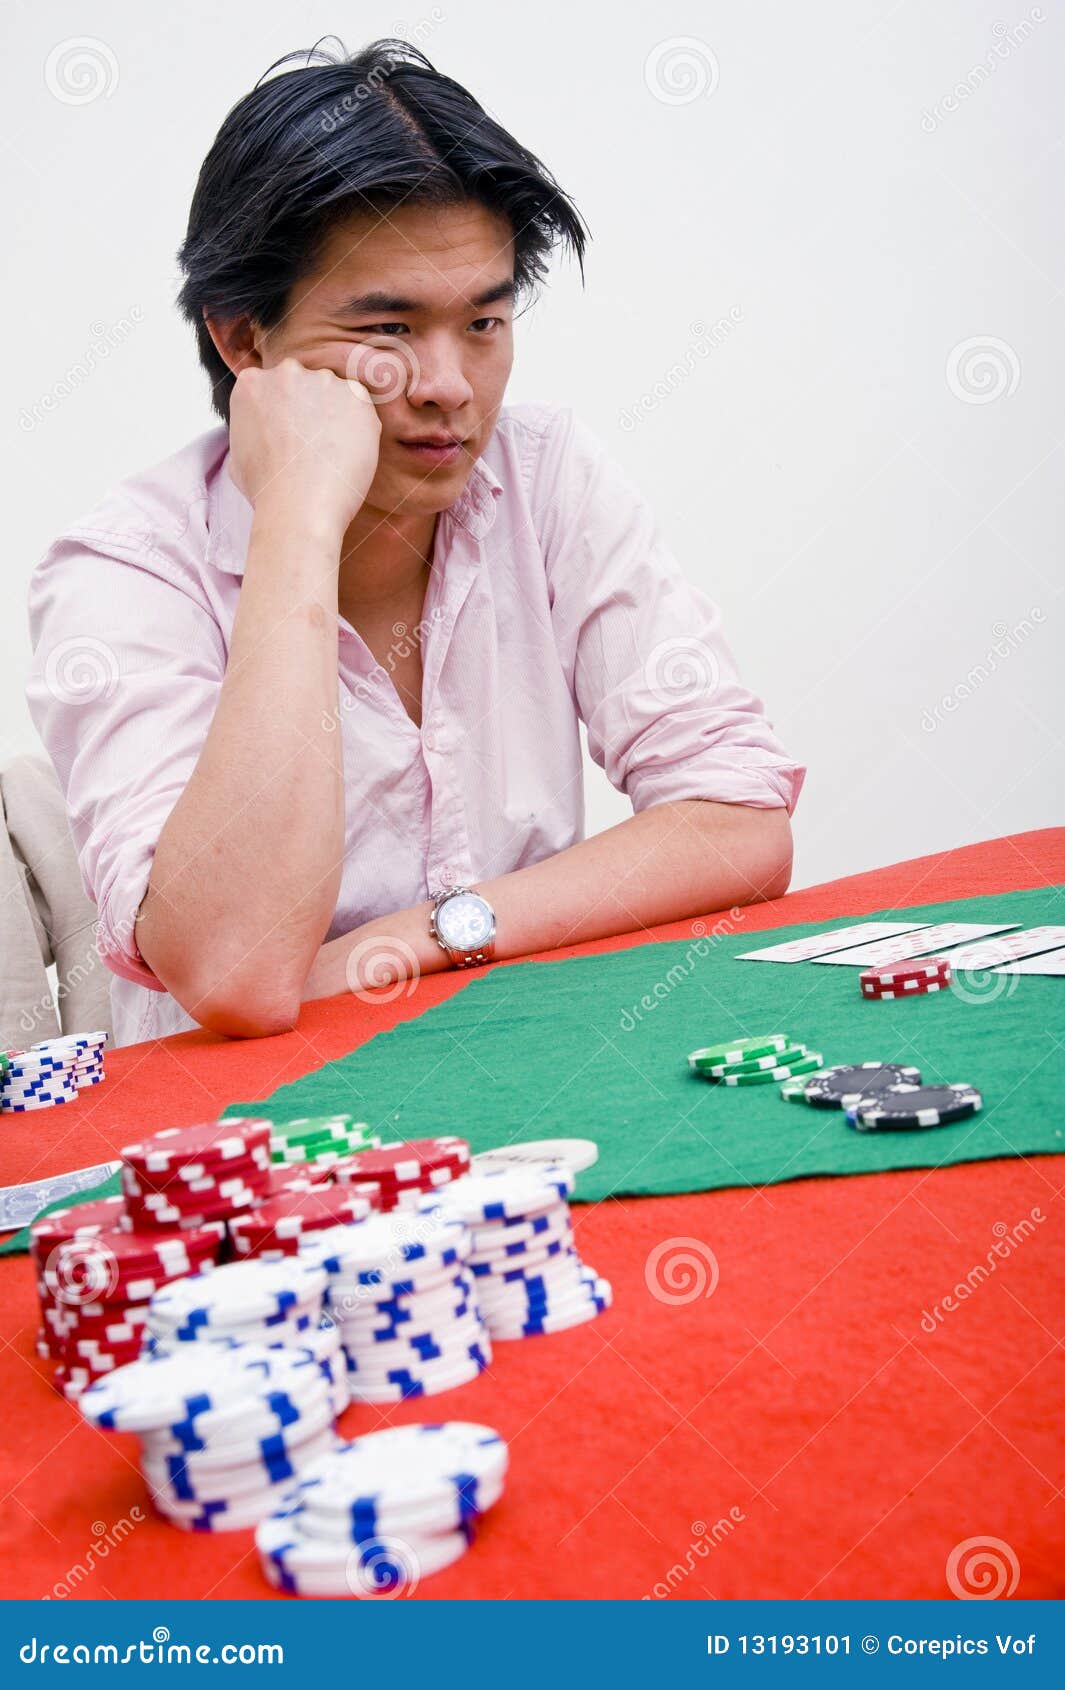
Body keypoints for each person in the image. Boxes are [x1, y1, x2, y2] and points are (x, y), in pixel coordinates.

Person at [26, 37, 804, 1047]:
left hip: (526, 1065)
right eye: (389, 330)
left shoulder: (547, 474)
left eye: (484, 322)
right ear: (241, 336)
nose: (449, 385)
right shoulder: (123, 571)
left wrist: (428, 937)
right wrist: (299, 525)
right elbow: (240, 970)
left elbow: (738, 816)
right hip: (255, 1135)